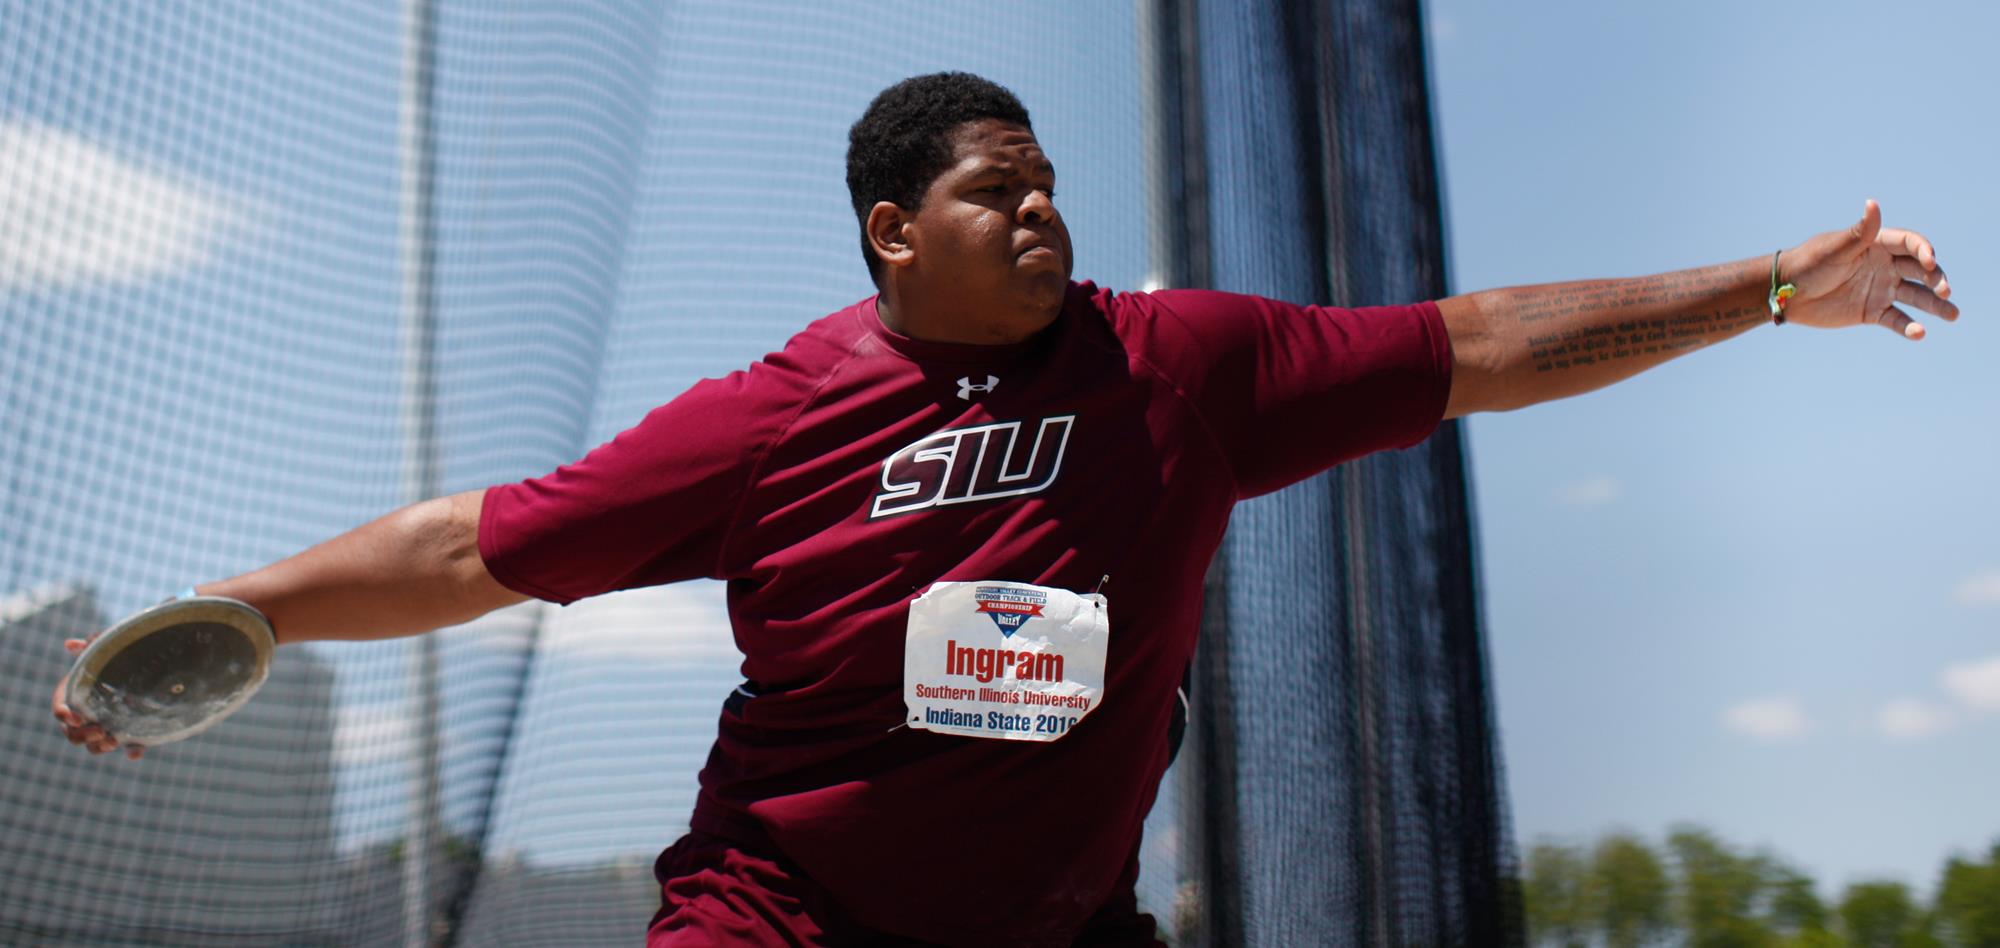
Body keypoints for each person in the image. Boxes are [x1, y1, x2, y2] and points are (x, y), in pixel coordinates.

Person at [51, 72, 1955, 946]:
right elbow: (477, 546)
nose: (1041, 208)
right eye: (994, 191)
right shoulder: (769, 418)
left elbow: (1478, 343)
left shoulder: (1178, 367)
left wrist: (1773, 289)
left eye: (1048, 180)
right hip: (774, 920)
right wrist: (256, 607)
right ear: (897, 231)